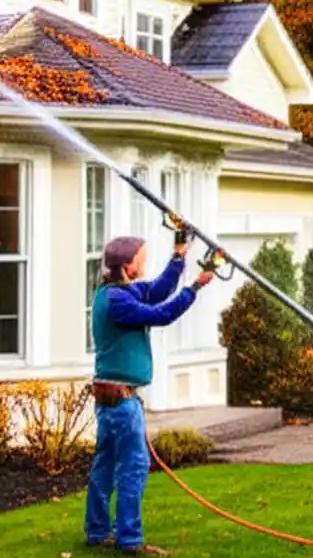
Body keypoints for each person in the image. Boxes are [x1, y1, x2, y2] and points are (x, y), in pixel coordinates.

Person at [84, 234, 213, 556]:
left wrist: (179, 255)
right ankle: (129, 539)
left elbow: (157, 292)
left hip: (112, 399)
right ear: (128, 266)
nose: (143, 264)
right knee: (133, 467)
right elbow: (162, 314)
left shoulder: (113, 292)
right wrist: (195, 287)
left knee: (105, 466)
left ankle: (97, 532)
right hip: (122, 402)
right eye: (140, 259)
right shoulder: (119, 302)